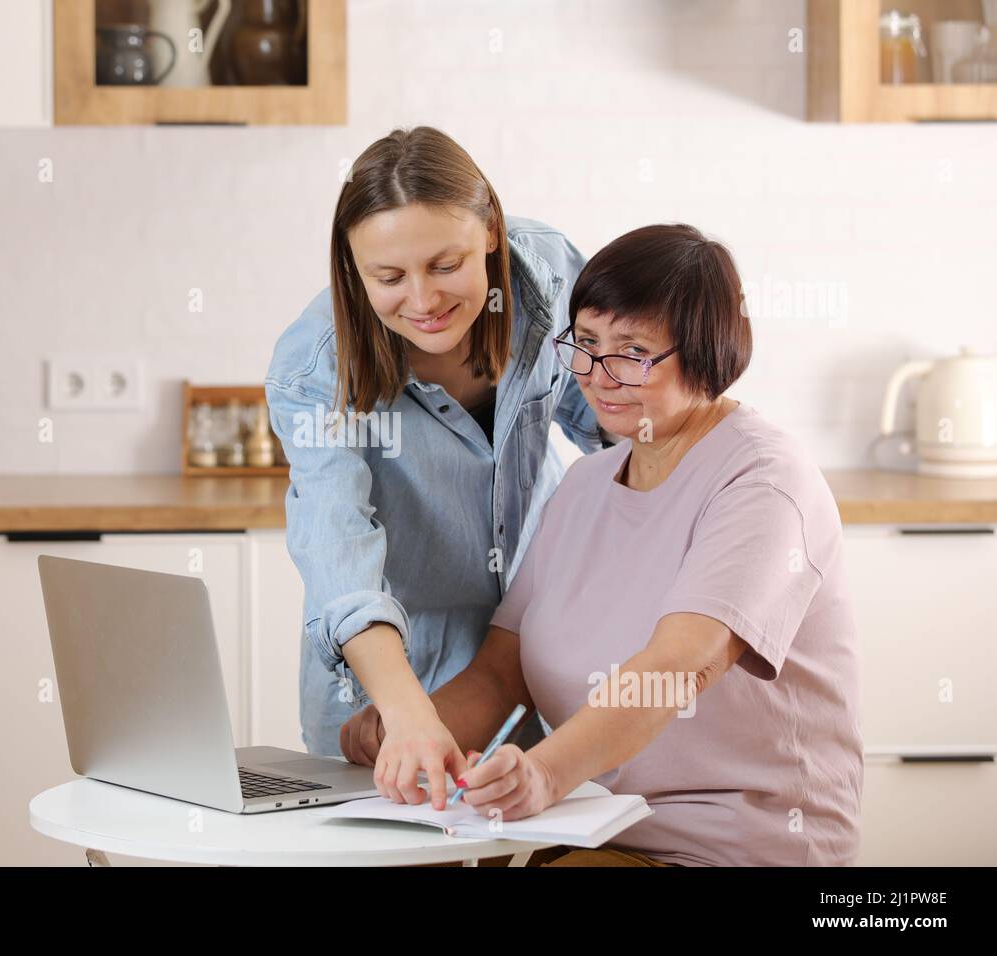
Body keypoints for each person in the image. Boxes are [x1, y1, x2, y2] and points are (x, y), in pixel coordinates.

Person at [341, 224, 864, 866]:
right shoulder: (587, 482)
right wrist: (412, 731)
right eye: (585, 344)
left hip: (730, 847)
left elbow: (679, 665)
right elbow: (504, 670)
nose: (597, 376)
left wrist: (545, 773)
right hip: (593, 830)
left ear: (708, 352)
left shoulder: (763, 481)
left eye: (633, 352)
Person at [264, 126, 604, 806]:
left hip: (539, 659)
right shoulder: (315, 367)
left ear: (490, 230)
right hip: (389, 697)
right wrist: (408, 713)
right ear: (352, 268)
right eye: (388, 278)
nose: (422, 301)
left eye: (446, 265)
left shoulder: (550, 275)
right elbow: (337, 548)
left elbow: (610, 420)